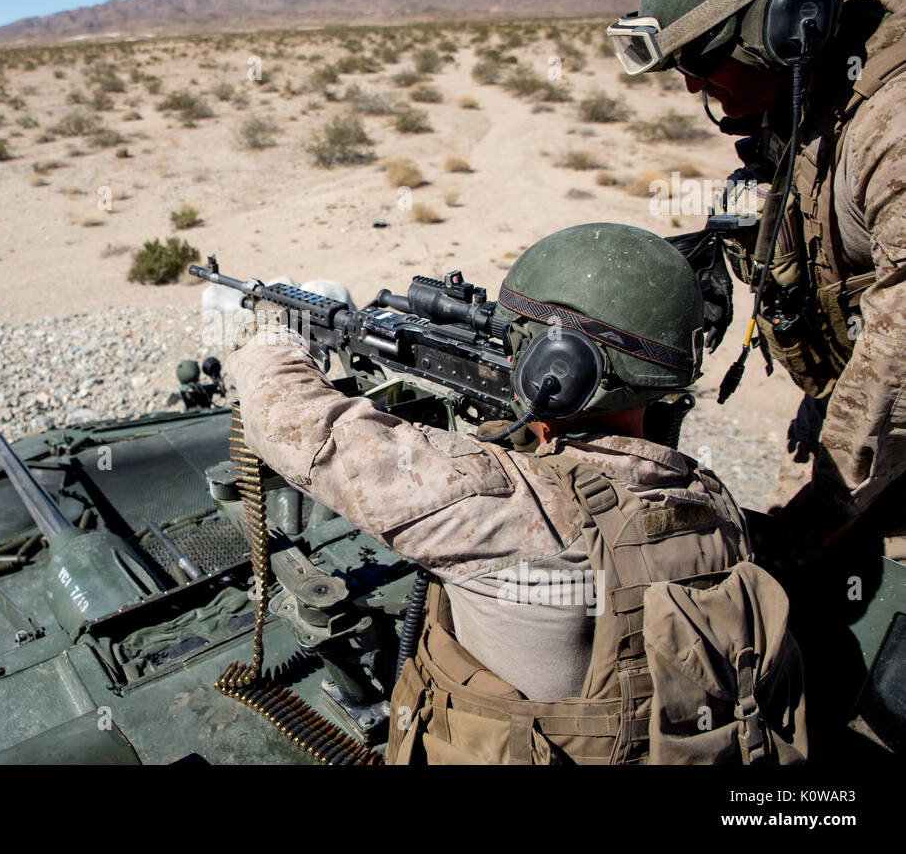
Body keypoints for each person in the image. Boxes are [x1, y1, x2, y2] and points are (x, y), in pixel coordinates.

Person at [226, 223, 806, 764]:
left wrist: (269, 334)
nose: (508, 352)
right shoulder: (711, 498)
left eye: (518, 342)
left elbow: (302, 432)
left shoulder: (507, 506)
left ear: (560, 369)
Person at [607, 0, 906, 568]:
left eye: (703, 56)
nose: (690, 86)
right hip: (846, 413)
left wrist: (821, 509)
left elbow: (899, 353)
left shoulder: (893, 125)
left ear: (785, 25)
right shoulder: (808, 88)